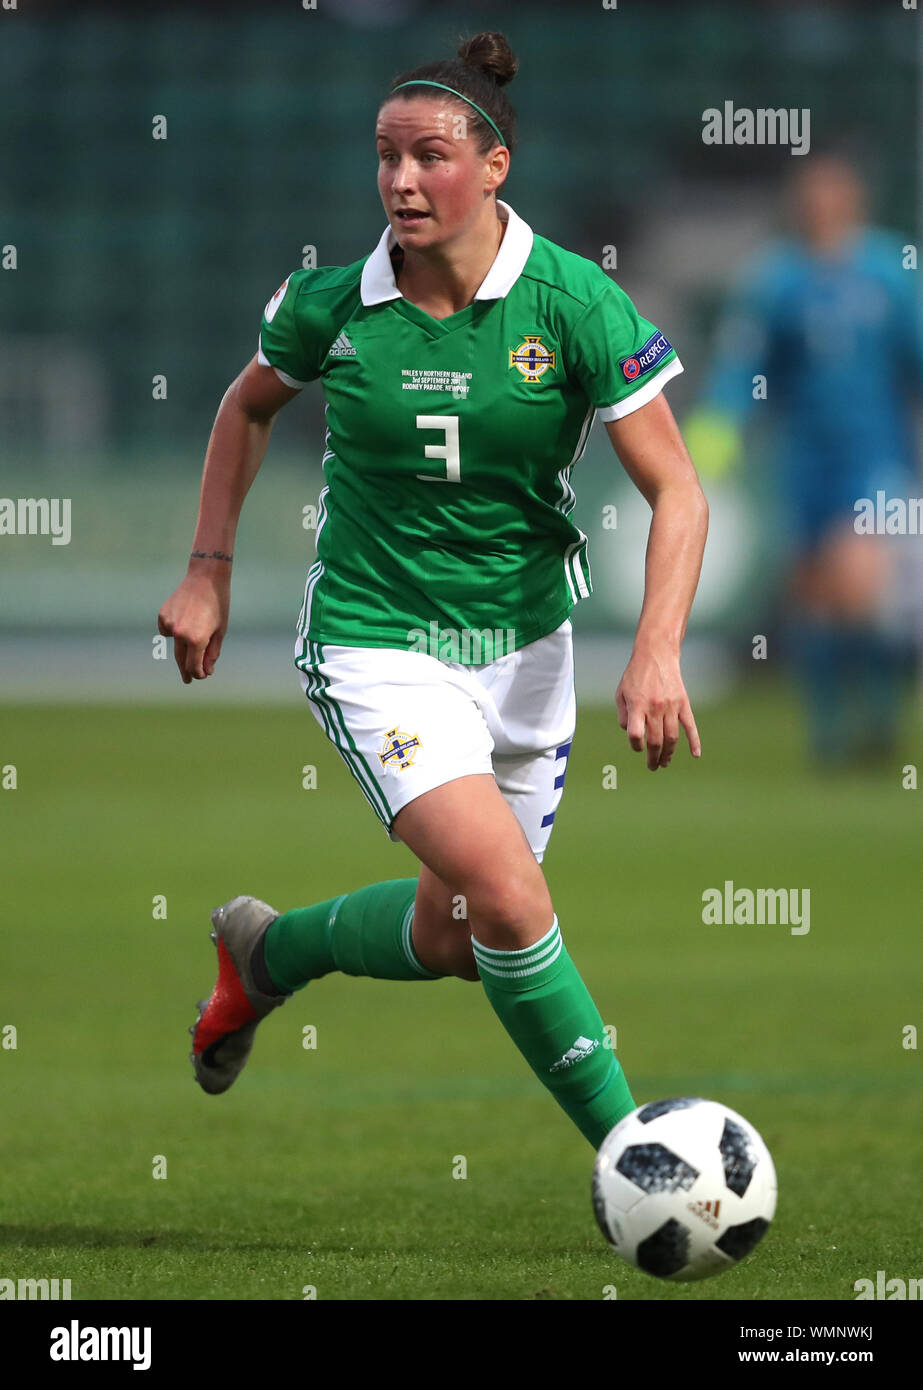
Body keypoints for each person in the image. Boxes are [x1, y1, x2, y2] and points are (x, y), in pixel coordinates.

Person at [157, 31, 708, 1155]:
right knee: (509, 899)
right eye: (385, 157)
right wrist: (207, 571)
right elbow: (245, 406)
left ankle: (266, 954)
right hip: (377, 640)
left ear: (494, 165)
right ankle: (636, 1158)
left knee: (457, 931)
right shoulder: (333, 303)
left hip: (525, 652)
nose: (402, 181)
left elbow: (679, 493)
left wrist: (654, 648)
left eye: (431, 157)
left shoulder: (571, 301)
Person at [686, 155, 923, 765]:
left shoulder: (889, 272)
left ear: (854, 202)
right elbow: (744, 365)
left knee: (858, 582)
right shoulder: (776, 281)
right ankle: (829, 735)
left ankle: (879, 715)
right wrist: (718, 428)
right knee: (814, 597)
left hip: (873, 456)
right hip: (801, 460)